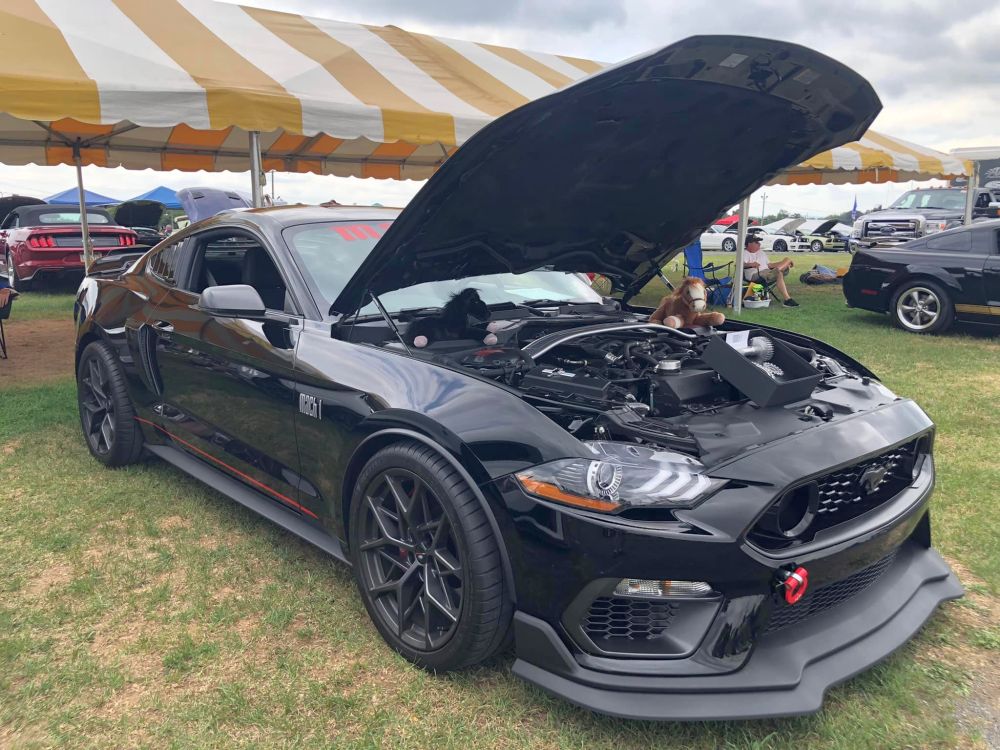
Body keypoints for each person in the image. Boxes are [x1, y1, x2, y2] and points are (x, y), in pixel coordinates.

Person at [743, 236, 798, 307]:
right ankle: (787, 299)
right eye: (756, 242)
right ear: (749, 244)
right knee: (778, 273)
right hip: (756, 274)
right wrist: (751, 264)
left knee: (786, 260)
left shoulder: (761, 252)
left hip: (768, 272)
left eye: (759, 242)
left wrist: (785, 262)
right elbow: (740, 265)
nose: (759, 244)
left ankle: (783, 265)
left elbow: (770, 265)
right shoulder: (744, 253)